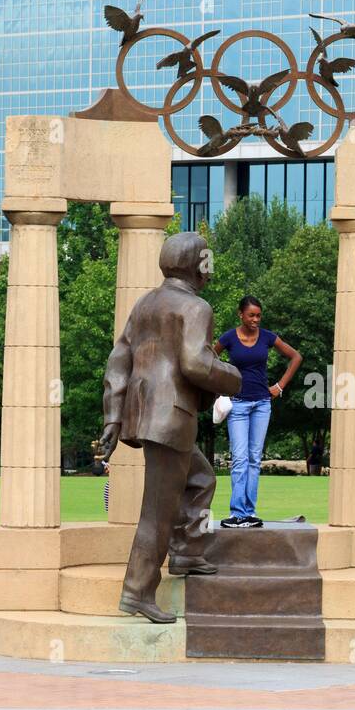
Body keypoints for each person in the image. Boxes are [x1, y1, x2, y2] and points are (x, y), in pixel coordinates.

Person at [98, 232, 242, 622]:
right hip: (172, 416)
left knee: (201, 480)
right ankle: (137, 592)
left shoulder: (146, 303)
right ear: (198, 265)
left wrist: (113, 415)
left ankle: (186, 552)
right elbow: (196, 364)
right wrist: (233, 377)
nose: (210, 269)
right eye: (208, 261)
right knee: (157, 511)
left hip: (144, 413)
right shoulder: (195, 307)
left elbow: (119, 360)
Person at [214, 295, 302, 528]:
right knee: (240, 459)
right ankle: (236, 514)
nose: (255, 319)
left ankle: (249, 513)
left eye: (259, 316)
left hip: (262, 404)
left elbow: (296, 357)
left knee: (254, 460)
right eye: (251, 315)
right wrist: (220, 388)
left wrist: (280, 386)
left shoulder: (267, 337)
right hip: (238, 405)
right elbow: (208, 360)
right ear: (240, 314)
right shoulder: (229, 338)